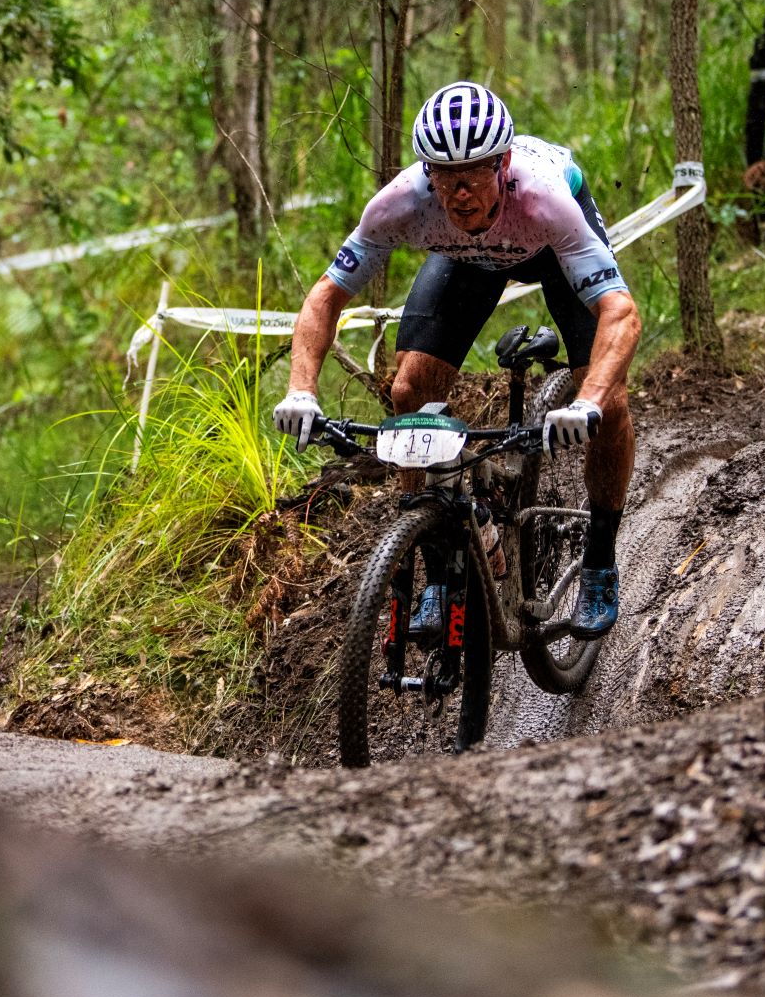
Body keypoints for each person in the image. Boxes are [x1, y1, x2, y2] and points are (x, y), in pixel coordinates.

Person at [272, 82, 641, 641]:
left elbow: (621, 313)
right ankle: (442, 558)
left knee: (609, 400)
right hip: (466, 260)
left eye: (472, 176)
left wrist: (587, 402)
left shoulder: (544, 197)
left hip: (548, 252)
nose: (458, 193)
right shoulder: (402, 202)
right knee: (408, 394)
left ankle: (598, 562)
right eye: (444, 178)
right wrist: (302, 390)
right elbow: (326, 296)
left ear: (503, 164)